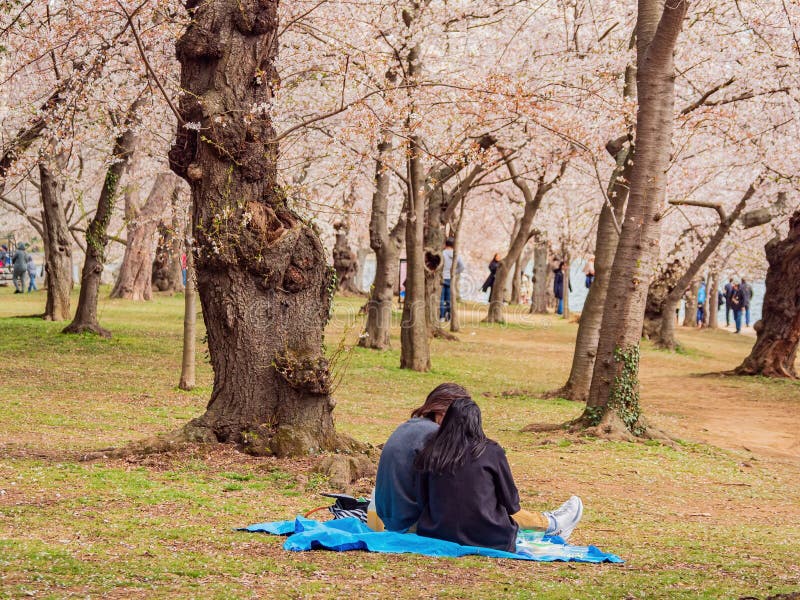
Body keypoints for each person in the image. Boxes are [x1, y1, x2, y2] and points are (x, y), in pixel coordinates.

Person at [414, 396, 583, 551]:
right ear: (477, 422)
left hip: (436, 533)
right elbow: (511, 503)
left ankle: (551, 524)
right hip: (489, 537)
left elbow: (422, 499)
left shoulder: (430, 450)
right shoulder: (490, 451)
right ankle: (552, 525)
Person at [373, 383, 466, 533]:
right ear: (442, 412)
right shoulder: (434, 435)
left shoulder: (408, 426)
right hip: (411, 523)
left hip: (390, 519)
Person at [440, 237, 464, 322]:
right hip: (451, 279)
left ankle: (442, 317)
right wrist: (454, 272)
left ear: (445, 244)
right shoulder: (456, 254)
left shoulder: (442, 253)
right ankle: (449, 317)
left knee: (441, 299)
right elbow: (462, 266)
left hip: (442, 278)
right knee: (449, 299)